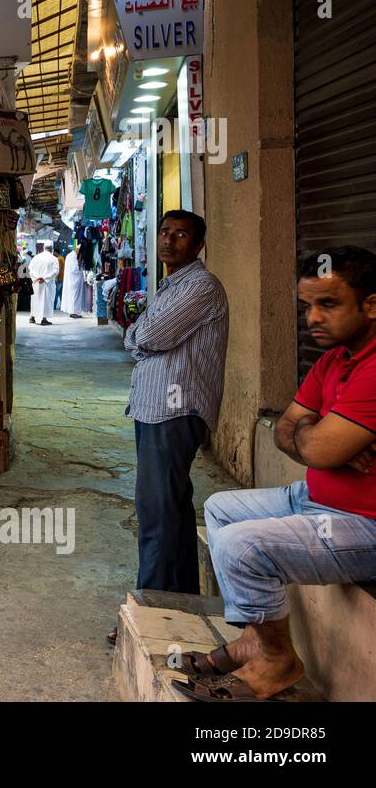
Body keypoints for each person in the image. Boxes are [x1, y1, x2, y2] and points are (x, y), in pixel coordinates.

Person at [176, 247, 376, 701]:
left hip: (363, 522)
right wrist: (322, 438)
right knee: (220, 507)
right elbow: (285, 430)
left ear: (371, 304)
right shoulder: (333, 360)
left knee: (241, 546)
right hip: (316, 498)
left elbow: (317, 445)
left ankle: (278, 659)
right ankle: (254, 638)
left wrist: (323, 439)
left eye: (329, 304)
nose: (313, 320)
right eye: (308, 307)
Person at [124, 209, 228, 597]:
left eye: (180, 234)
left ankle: (151, 604)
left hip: (174, 411)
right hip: (155, 409)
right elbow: (145, 334)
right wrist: (139, 335)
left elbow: (149, 336)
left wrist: (136, 335)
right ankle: (179, 598)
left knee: (157, 513)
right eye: (165, 232)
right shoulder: (173, 285)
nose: (168, 240)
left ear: (199, 244)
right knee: (173, 509)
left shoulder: (199, 287)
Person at [27, 240, 59, 325]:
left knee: (35, 299)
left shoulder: (36, 257)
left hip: (36, 282)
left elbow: (30, 269)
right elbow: (55, 271)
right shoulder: (54, 259)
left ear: (44, 248)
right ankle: (44, 319)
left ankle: (32, 317)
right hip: (47, 284)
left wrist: (37, 278)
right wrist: (44, 278)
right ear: (52, 248)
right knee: (46, 300)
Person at [60, 242, 93, 318]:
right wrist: (82, 269)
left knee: (76, 296)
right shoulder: (72, 256)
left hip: (74, 280)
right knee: (74, 296)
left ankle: (76, 312)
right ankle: (73, 312)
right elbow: (74, 269)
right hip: (74, 280)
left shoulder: (72, 255)